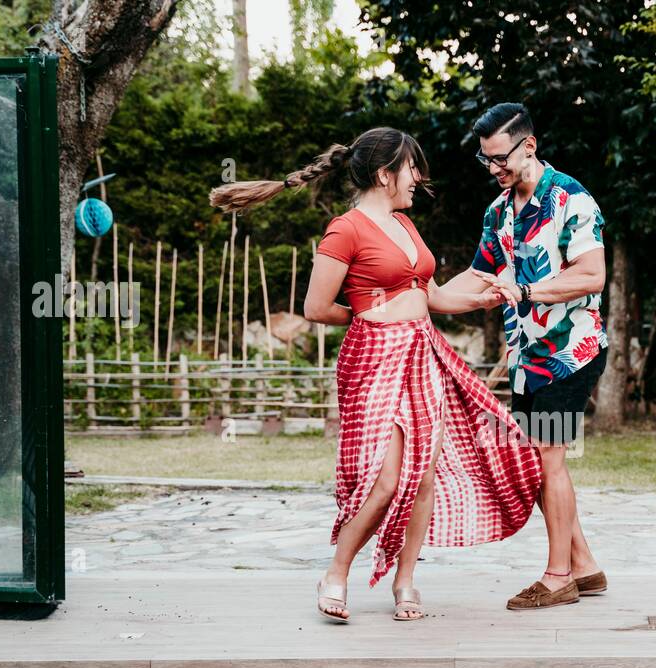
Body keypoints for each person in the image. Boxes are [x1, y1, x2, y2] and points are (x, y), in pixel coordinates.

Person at [209, 127, 543, 623]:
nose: (417, 177)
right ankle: (337, 572)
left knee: (424, 476)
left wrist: (481, 297)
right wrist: (370, 312)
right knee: (386, 479)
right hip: (373, 357)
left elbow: (430, 295)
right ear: (386, 173)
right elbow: (316, 306)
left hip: (422, 350)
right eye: (411, 168)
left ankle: (406, 580)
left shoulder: (406, 227)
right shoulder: (345, 229)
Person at [436, 103, 608, 610]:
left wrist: (526, 291)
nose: (493, 169)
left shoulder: (572, 199)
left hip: (568, 353)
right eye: (485, 160)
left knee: (548, 460)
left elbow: (591, 275)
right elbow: (480, 273)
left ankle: (559, 577)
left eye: (500, 158)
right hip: (527, 357)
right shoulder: (499, 210)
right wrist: (426, 298)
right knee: (539, 462)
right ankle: (586, 566)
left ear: (528, 146)